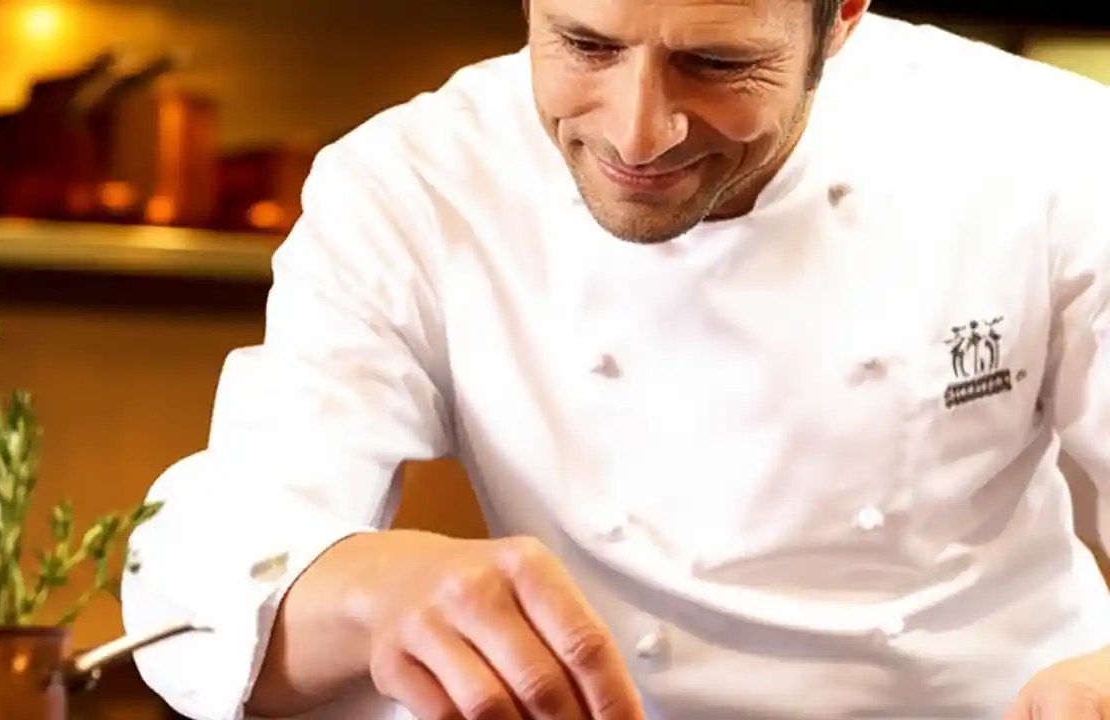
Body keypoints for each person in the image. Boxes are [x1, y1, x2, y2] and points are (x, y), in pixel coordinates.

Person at [120, 0, 1110, 717]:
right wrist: (376, 589)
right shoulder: (412, 186)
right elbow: (209, 567)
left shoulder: (1046, 155)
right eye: (584, 45)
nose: (638, 131)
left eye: (716, 65)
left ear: (839, 17)